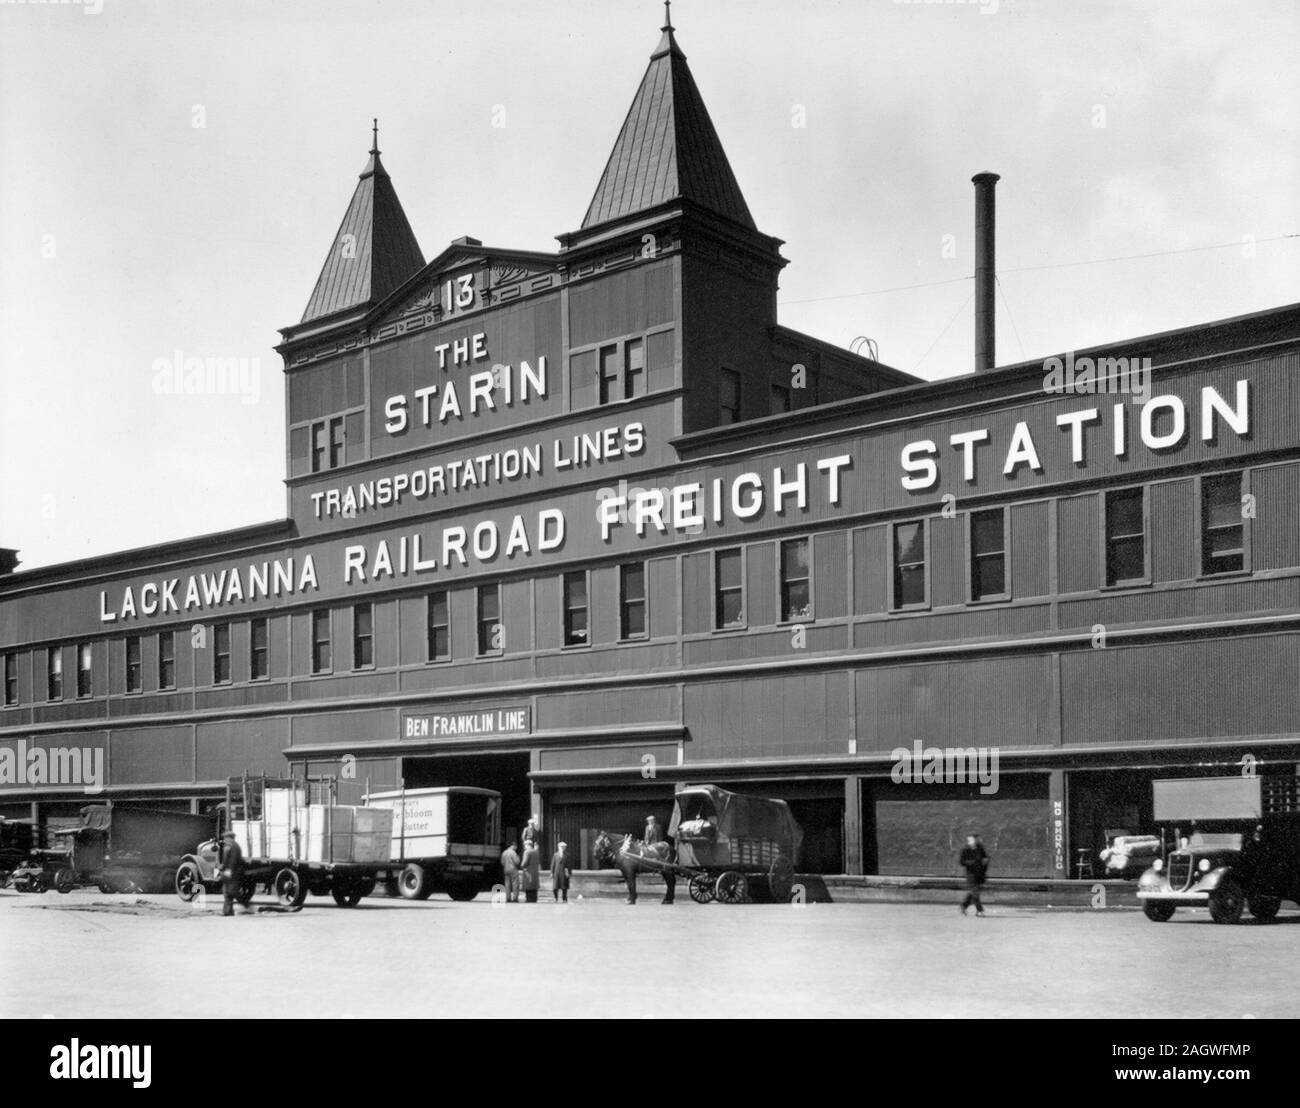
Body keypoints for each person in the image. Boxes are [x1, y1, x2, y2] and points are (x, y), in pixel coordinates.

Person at [959, 833, 989, 916]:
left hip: (980, 875)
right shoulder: (965, 850)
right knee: (975, 892)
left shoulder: (980, 848)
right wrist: (972, 863)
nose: (974, 841)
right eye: (971, 840)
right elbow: (962, 862)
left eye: (975, 839)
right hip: (971, 875)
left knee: (974, 893)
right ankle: (980, 911)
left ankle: (963, 905)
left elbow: (985, 858)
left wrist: (985, 862)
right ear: (968, 841)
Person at [219, 830, 246, 917]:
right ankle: (228, 911)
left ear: (230, 838)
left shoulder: (233, 846)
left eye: (226, 838)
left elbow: (232, 861)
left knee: (229, 892)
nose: (225, 840)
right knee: (228, 892)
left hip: (232, 872)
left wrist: (227, 870)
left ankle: (228, 911)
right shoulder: (233, 846)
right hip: (231, 872)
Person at [520, 838, 541, 903]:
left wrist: (522, 866)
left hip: (528, 871)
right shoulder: (536, 852)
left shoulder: (527, 852)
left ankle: (528, 899)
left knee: (528, 885)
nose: (524, 846)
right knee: (534, 885)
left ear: (528, 845)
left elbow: (524, 862)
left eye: (525, 845)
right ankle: (534, 898)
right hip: (535, 871)